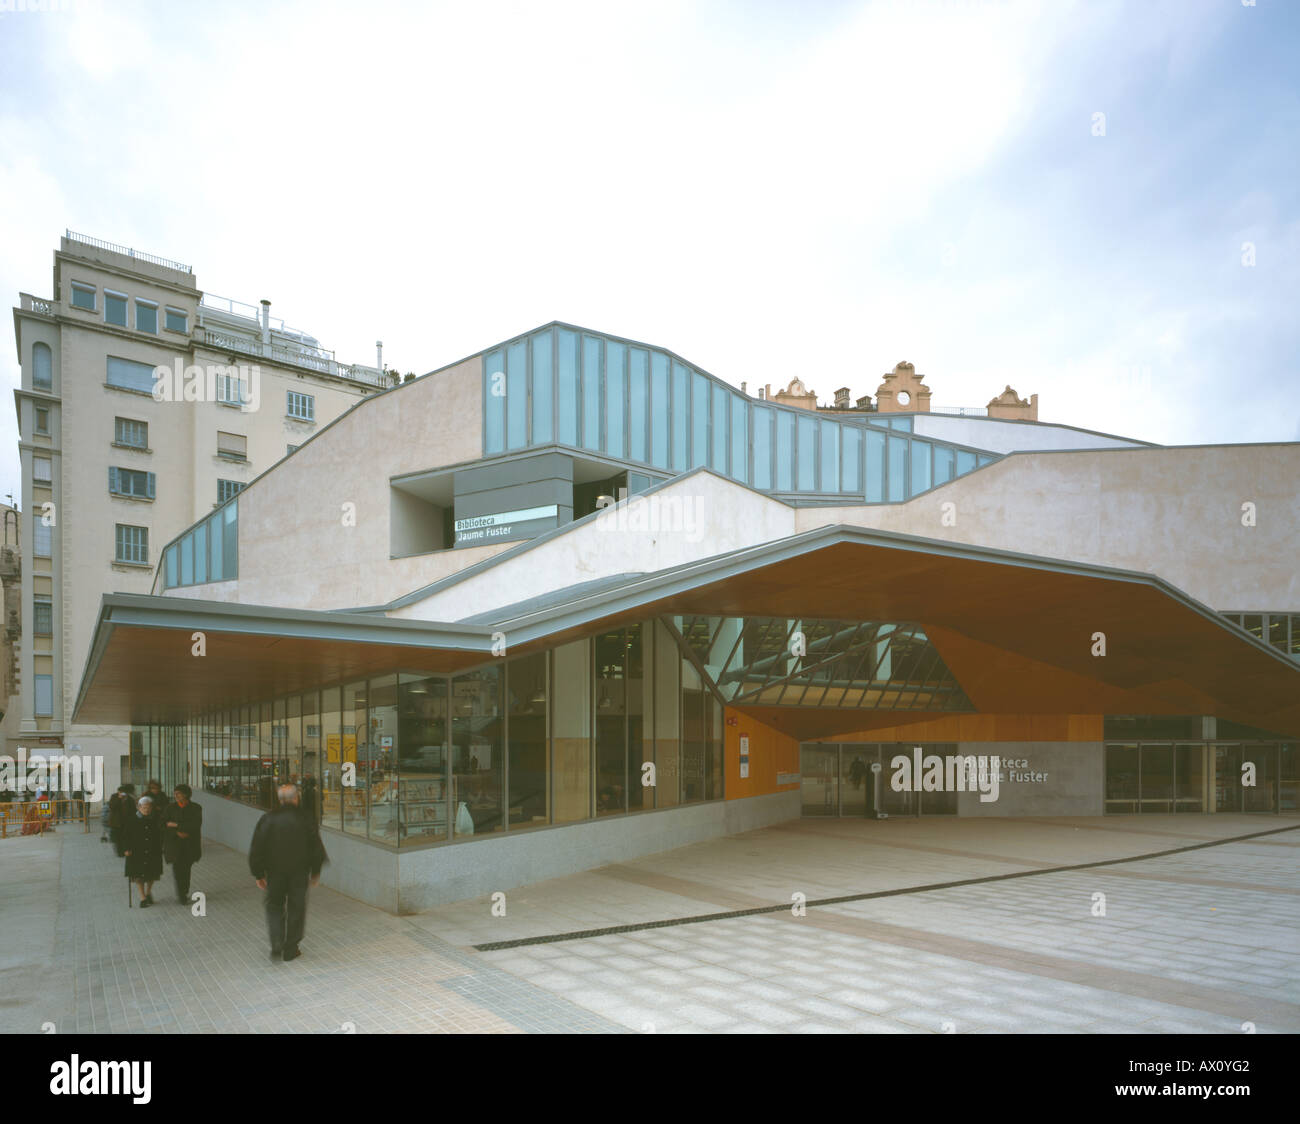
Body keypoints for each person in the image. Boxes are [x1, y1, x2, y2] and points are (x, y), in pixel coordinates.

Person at [249, 784, 327, 962]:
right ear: (296, 798)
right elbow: (315, 847)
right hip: (299, 872)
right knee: (296, 908)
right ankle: (291, 948)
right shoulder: (306, 818)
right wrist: (315, 871)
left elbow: (257, 847)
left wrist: (258, 874)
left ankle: (277, 942)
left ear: (280, 800)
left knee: (274, 906)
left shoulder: (268, 819)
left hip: (274, 872)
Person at [163, 784, 203, 905]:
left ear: (186, 794)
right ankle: (181, 894)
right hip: (174, 844)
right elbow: (163, 824)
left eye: (178, 793)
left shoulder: (196, 808)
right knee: (177, 868)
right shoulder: (170, 808)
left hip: (190, 843)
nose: (175, 796)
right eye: (175, 793)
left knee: (186, 869)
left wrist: (176, 825)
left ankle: (184, 891)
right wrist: (177, 832)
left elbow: (195, 824)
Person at [123, 795, 164, 907]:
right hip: (137, 852)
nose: (146, 809)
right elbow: (126, 836)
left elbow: (160, 834)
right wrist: (126, 849)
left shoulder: (155, 819)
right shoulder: (132, 820)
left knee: (152, 874)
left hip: (152, 850)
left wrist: (161, 846)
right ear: (138, 807)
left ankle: (148, 892)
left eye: (149, 807)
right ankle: (143, 898)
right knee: (138, 875)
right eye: (144, 807)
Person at [108, 785, 136, 856]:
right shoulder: (114, 796)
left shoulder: (130, 799)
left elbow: (133, 810)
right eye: (119, 792)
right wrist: (118, 799)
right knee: (117, 838)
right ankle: (119, 852)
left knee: (125, 837)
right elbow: (112, 807)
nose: (121, 793)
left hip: (126, 822)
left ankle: (125, 851)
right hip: (116, 822)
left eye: (122, 792)